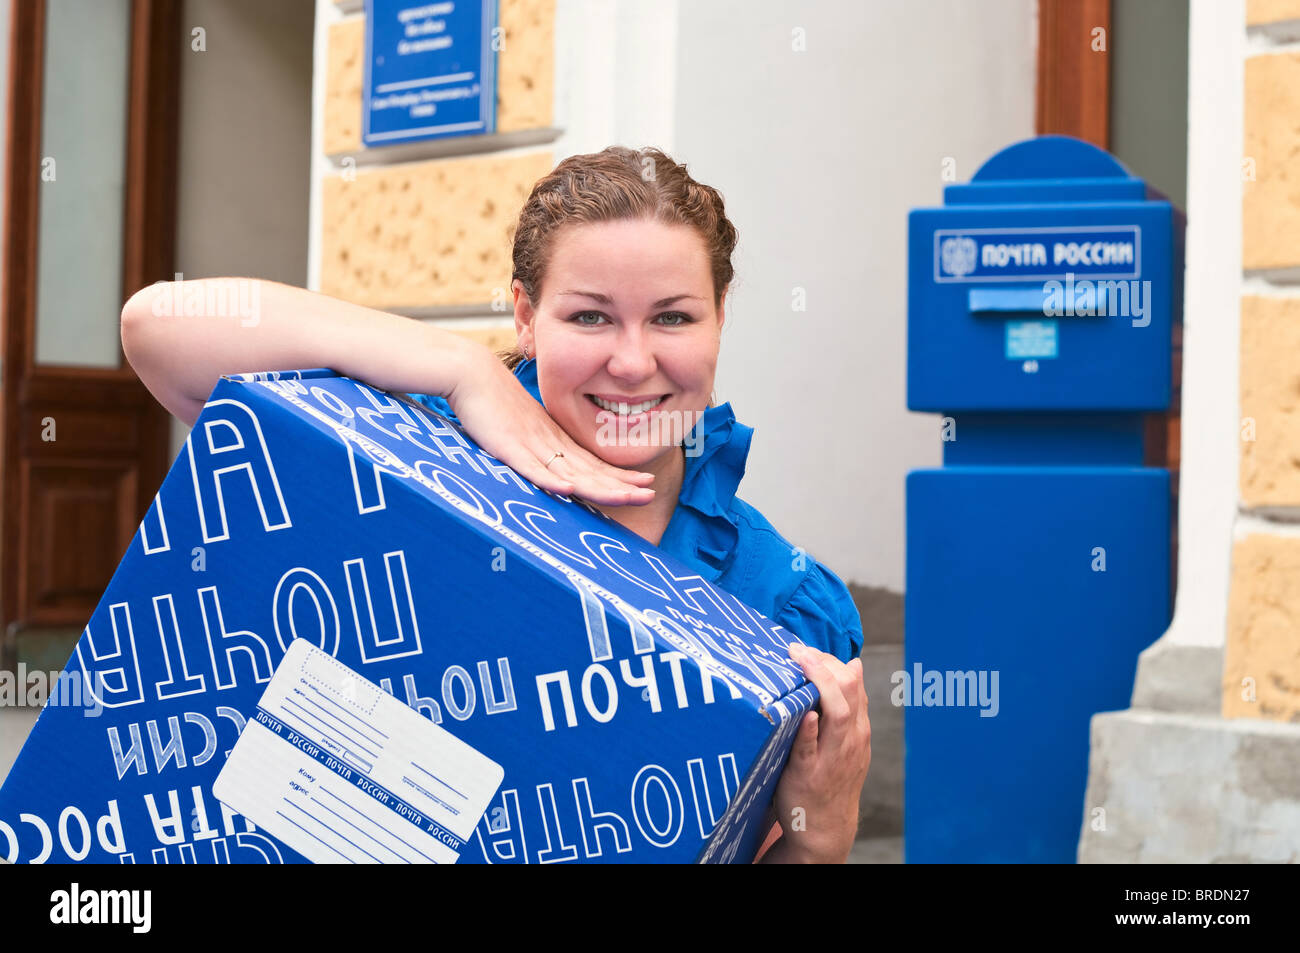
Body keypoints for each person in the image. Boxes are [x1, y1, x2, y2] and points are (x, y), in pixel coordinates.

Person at [120, 144, 870, 864]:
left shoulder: (784, 606)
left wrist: (820, 840)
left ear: (721, 315)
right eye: (589, 316)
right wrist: (461, 367)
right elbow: (155, 327)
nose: (632, 361)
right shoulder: (413, 455)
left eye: (673, 317)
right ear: (525, 314)